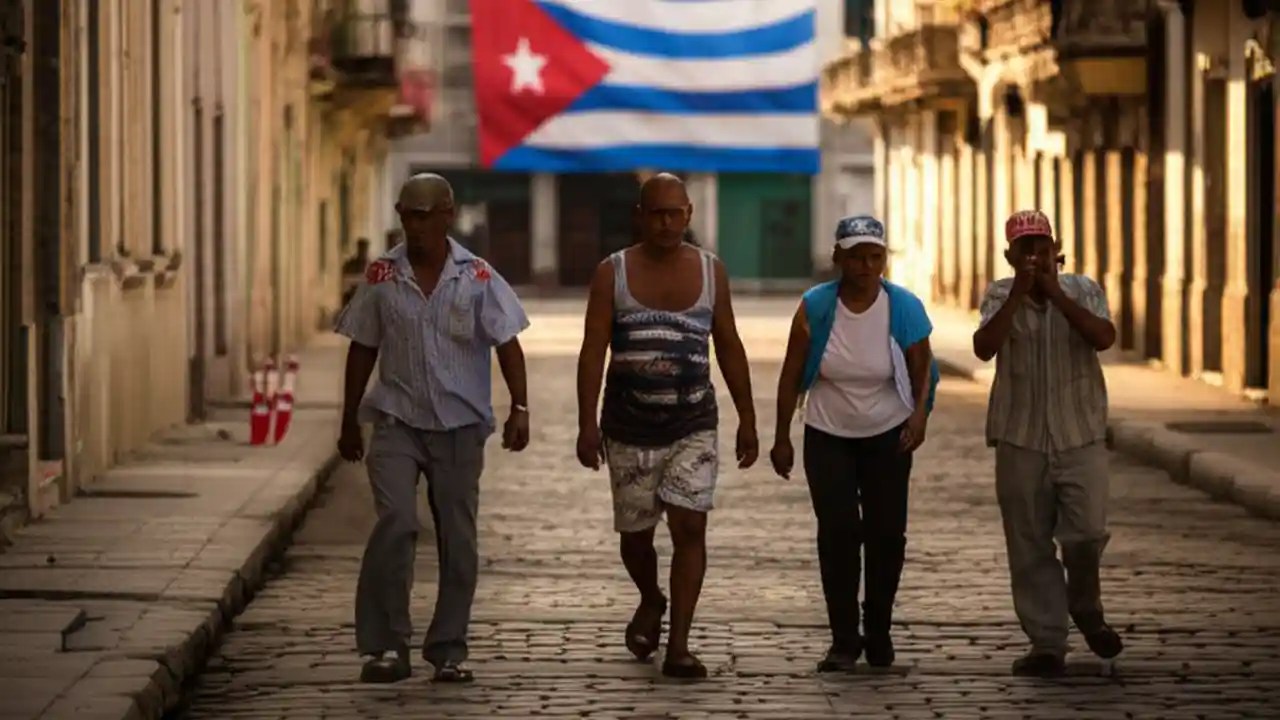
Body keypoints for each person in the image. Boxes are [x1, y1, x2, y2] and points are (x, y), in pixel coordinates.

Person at [334, 173, 532, 684]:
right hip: (398, 422)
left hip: (460, 428)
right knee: (396, 522)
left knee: (458, 538)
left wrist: (520, 408)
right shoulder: (382, 276)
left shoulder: (479, 276)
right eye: (408, 216)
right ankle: (386, 645)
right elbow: (362, 346)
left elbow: (508, 341)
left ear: (448, 214)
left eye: (425, 216)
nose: (416, 227)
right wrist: (349, 420)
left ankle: (448, 647)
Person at [575, 173, 758, 679]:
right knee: (635, 536)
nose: (666, 223)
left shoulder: (709, 271)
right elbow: (593, 351)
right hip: (627, 427)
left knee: (690, 525)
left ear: (689, 215)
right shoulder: (612, 274)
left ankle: (679, 645)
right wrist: (586, 424)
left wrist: (747, 416)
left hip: (692, 422)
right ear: (640, 216)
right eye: (656, 213)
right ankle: (651, 597)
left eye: (675, 213)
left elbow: (729, 344)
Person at [768, 214, 939, 672]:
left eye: (875, 257)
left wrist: (919, 417)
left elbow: (922, 368)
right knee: (839, 533)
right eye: (857, 256)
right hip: (828, 433)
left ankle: (878, 629)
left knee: (886, 534)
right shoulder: (816, 306)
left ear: (884, 260)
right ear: (838, 258)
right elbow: (791, 372)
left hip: (888, 432)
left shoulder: (903, 306)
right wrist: (782, 435)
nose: (866, 266)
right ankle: (844, 638)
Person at [972, 209, 1124, 677]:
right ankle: (1047, 642)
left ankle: (1084, 602)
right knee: (1029, 542)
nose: (1034, 255)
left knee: (1086, 530)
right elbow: (984, 347)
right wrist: (1018, 294)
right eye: (1025, 248)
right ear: (1010, 255)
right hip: (1020, 436)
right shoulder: (999, 294)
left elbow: (1104, 337)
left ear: (1056, 249)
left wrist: (1056, 294)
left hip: (1080, 432)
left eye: (1041, 246)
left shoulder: (1084, 290)